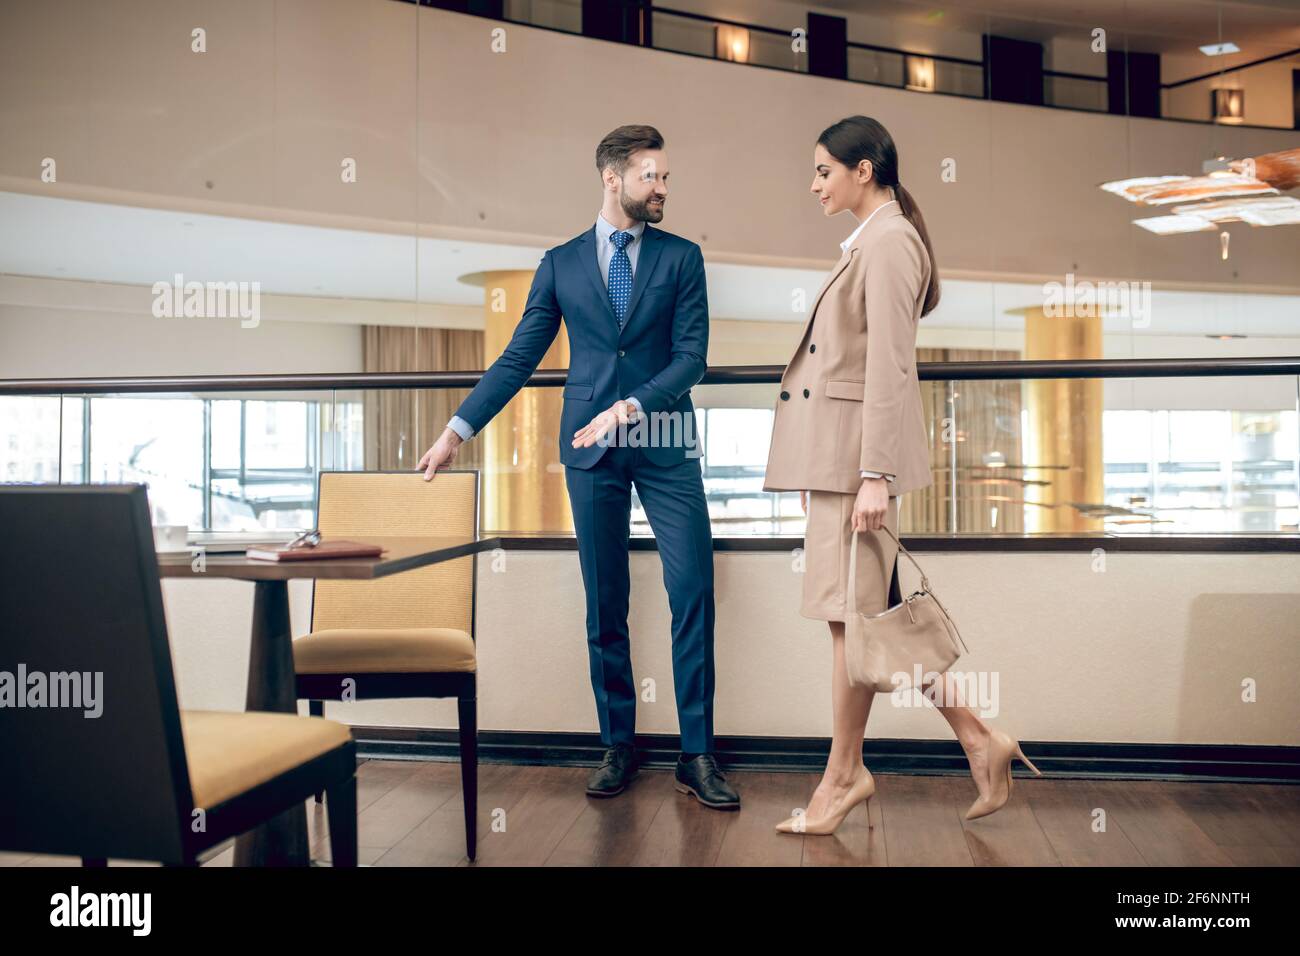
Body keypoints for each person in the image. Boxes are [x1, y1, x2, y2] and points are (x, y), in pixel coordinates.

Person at [418, 124, 739, 811]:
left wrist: (628, 407)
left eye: (666, 178)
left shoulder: (683, 259)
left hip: (665, 440)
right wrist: (456, 430)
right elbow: (516, 359)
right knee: (605, 600)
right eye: (652, 176)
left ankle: (697, 752)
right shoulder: (560, 263)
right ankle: (618, 743)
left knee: (693, 590)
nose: (662, 189)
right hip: (588, 454)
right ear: (612, 177)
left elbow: (692, 359)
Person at [762, 115, 1039, 835]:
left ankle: (844, 777)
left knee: (851, 625)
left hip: (859, 468)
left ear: (864, 170)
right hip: (841, 463)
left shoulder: (888, 242)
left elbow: (890, 365)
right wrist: (821, 462)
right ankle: (979, 739)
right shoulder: (875, 240)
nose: (814, 183)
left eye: (825, 170)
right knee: (863, 621)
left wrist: (875, 473)